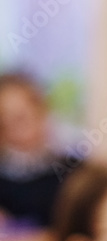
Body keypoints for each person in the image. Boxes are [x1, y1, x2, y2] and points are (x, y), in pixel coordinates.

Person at [0, 72, 74, 229]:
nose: (17, 128)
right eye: (6, 119)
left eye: (22, 116)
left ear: (42, 111)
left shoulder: (74, 171)